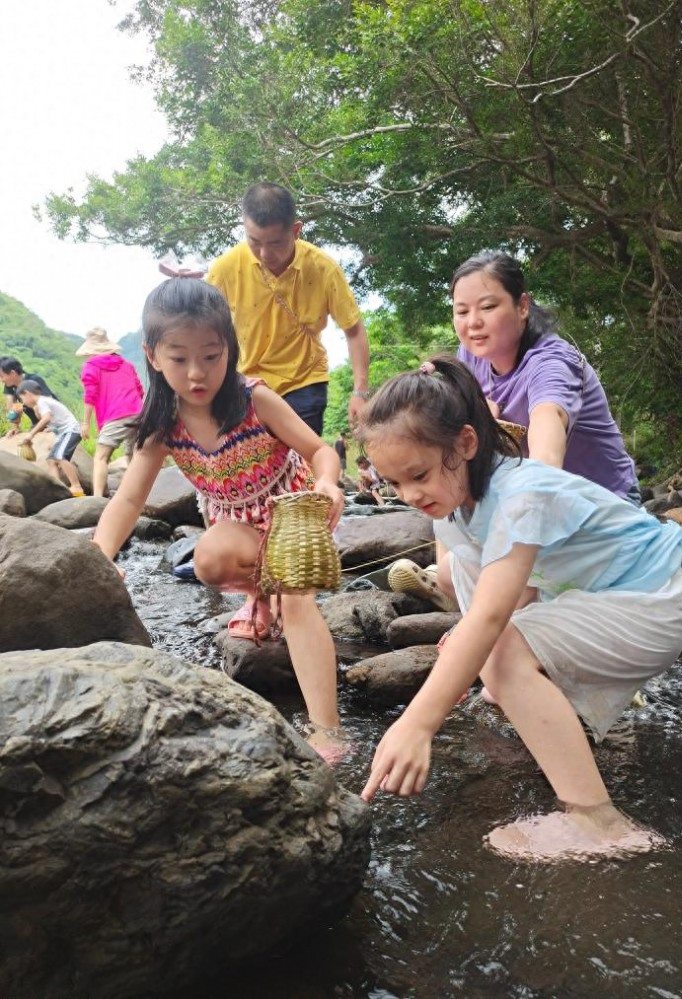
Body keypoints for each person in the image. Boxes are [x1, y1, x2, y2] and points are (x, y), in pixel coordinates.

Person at [358, 355, 682, 862]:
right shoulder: (456, 503)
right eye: (394, 484)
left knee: (498, 652)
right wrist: (468, 653)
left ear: (465, 443)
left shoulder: (520, 494)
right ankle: (539, 693)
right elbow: (496, 596)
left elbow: (490, 620)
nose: (410, 495)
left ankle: (599, 822)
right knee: (466, 591)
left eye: (417, 474)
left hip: (647, 604)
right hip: (588, 597)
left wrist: (419, 722)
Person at [92, 278, 347, 762]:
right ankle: (259, 597)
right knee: (207, 559)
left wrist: (329, 483)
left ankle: (328, 730)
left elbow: (318, 451)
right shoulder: (162, 424)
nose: (196, 374)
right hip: (236, 527)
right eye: (179, 358)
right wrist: (100, 553)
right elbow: (127, 501)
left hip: (291, 518)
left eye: (211, 356)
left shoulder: (254, 400)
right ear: (152, 355)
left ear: (229, 348)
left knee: (298, 602)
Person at [389, 251, 639, 611]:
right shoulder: (473, 355)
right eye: (462, 311)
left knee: (517, 593)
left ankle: (462, 590)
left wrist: (526, 506)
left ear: (522, 306)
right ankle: (451, 581)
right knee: (454, 461)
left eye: (488, 307)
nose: (473, 322)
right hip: (529, 505)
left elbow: (547, 441)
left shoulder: (551, 364)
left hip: (601, 511)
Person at [206, 182, 370, 433]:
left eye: (275, 243)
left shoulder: (323, 268)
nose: (264, 254)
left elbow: (354, 330)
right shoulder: (224, 269)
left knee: (302, 463)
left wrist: (359, 391)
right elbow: (204, 330)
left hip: (305, 380)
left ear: (295, 231)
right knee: (255, 467)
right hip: (248, 384)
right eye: (254, 242)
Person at [76, 327, 144, 497]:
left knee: (101, 457)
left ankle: (97, 499)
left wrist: (85, 423)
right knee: (133, 455)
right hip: (139, 412)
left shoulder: (91, 366)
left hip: (115, 415)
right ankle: (139, 493)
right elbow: (140, 391)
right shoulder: (127, 365)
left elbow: (90, 396)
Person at [17, 381, 85, 496]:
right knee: (51, 459)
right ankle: (58, 486)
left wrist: (31, 434)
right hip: (63, 433)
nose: (23, 403)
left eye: (22, 399)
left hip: (71, 430)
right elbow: (49, 419)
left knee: (60, 456)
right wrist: (37, 411)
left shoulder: (42, 401)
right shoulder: (41, 403)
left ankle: (76, 486)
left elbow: (46, 419)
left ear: (27, 393)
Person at [0, 357, 58, 435]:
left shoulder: (34, 380)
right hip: (37, 423)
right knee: (13, 409)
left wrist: (52, 425)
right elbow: (12, 408)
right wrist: (15, 428)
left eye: (1, 376)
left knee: (37, 405)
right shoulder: (10, 385)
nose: (1, 380)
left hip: (53, 420)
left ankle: (53, 427)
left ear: (13, 373)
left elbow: (50, 402)